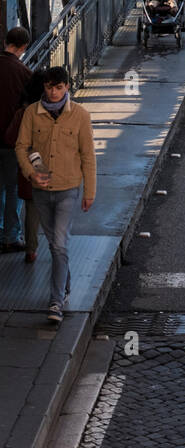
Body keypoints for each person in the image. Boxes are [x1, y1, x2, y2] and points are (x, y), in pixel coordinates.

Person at [15, 66, 96, 325]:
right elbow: (21, 146)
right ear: (44, 87)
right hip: (41, 191)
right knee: (54, 245)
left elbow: (88, 156)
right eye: (49, 87)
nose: (53, 92)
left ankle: (55, 301)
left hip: (68, 190)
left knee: (59, 244)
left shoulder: (80, 116)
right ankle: (65, 284)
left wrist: (90, 191)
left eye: (58, 87)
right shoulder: (31, 114)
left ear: (66, 88)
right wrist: (31, 173)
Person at [0, 26, 39, 255]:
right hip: (12, 140)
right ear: (24, 47)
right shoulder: (24, 73)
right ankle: (10, 237)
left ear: (5, 41)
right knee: (13, 187)